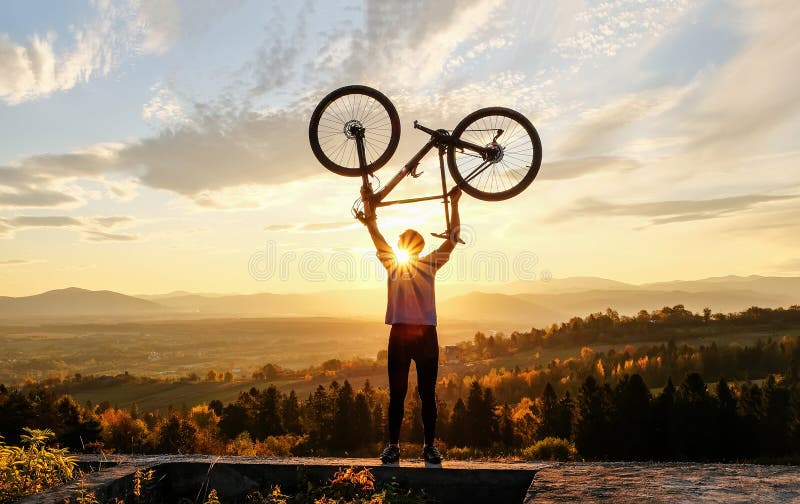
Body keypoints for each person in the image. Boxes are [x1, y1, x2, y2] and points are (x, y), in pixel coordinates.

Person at [358, 185, 463, 467]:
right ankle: (405, 447)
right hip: (413, 335)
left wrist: (370, 211)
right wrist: (453, 204)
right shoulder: (417, 264)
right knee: (406, 394)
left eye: (403, 240)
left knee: (418, 395)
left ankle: (415, 447)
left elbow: (374, 233)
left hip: (413, 335)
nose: (401, 243)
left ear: (407, 246)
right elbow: (452, 240)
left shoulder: (404, 264)